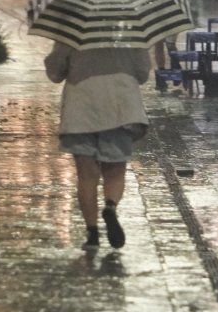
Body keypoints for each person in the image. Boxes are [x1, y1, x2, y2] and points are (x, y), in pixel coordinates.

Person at [45, 41, 151, 250]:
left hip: (81, 109)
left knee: (86, 176)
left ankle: (92, 234)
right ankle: (110, 206)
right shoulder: (131, 34)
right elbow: (143, 73)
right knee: (114, 172)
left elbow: (55, 72)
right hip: (120, 109)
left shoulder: (72, 32)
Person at [146, 0, 189, 92]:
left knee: (170, 41)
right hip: (157, 8)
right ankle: (161, 75)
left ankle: (175, 66)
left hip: (173, 7)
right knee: (158, 43)